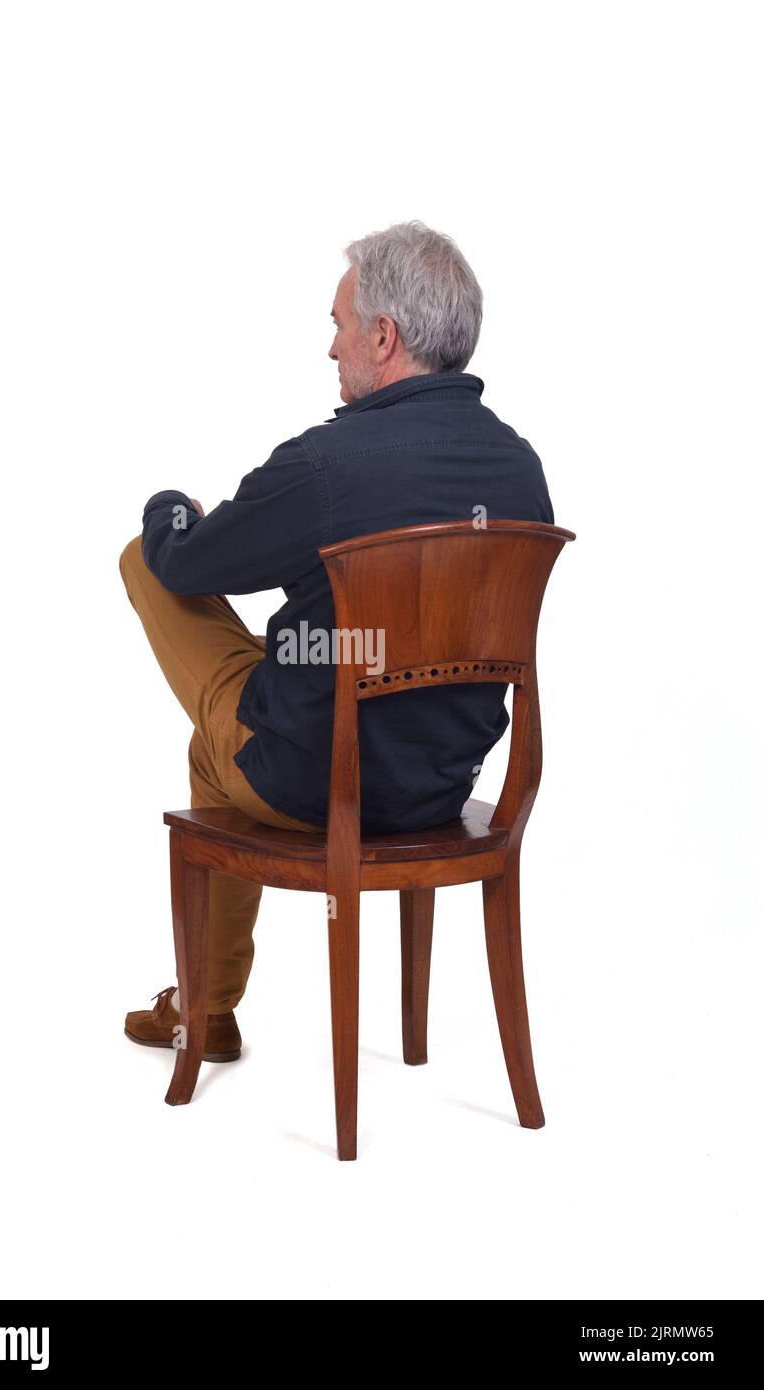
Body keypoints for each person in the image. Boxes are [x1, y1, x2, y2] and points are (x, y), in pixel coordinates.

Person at [121, 219, 553, 1061]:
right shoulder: (521, 470)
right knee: (304, 669)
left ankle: (205, 1008)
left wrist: (173, 506)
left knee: (147, 570)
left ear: (383, 337)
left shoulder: (323, 466)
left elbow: (185, 566)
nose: (331, 348)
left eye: (338, 325)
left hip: (311, 790)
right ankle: (207, 1004)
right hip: (437, 794)